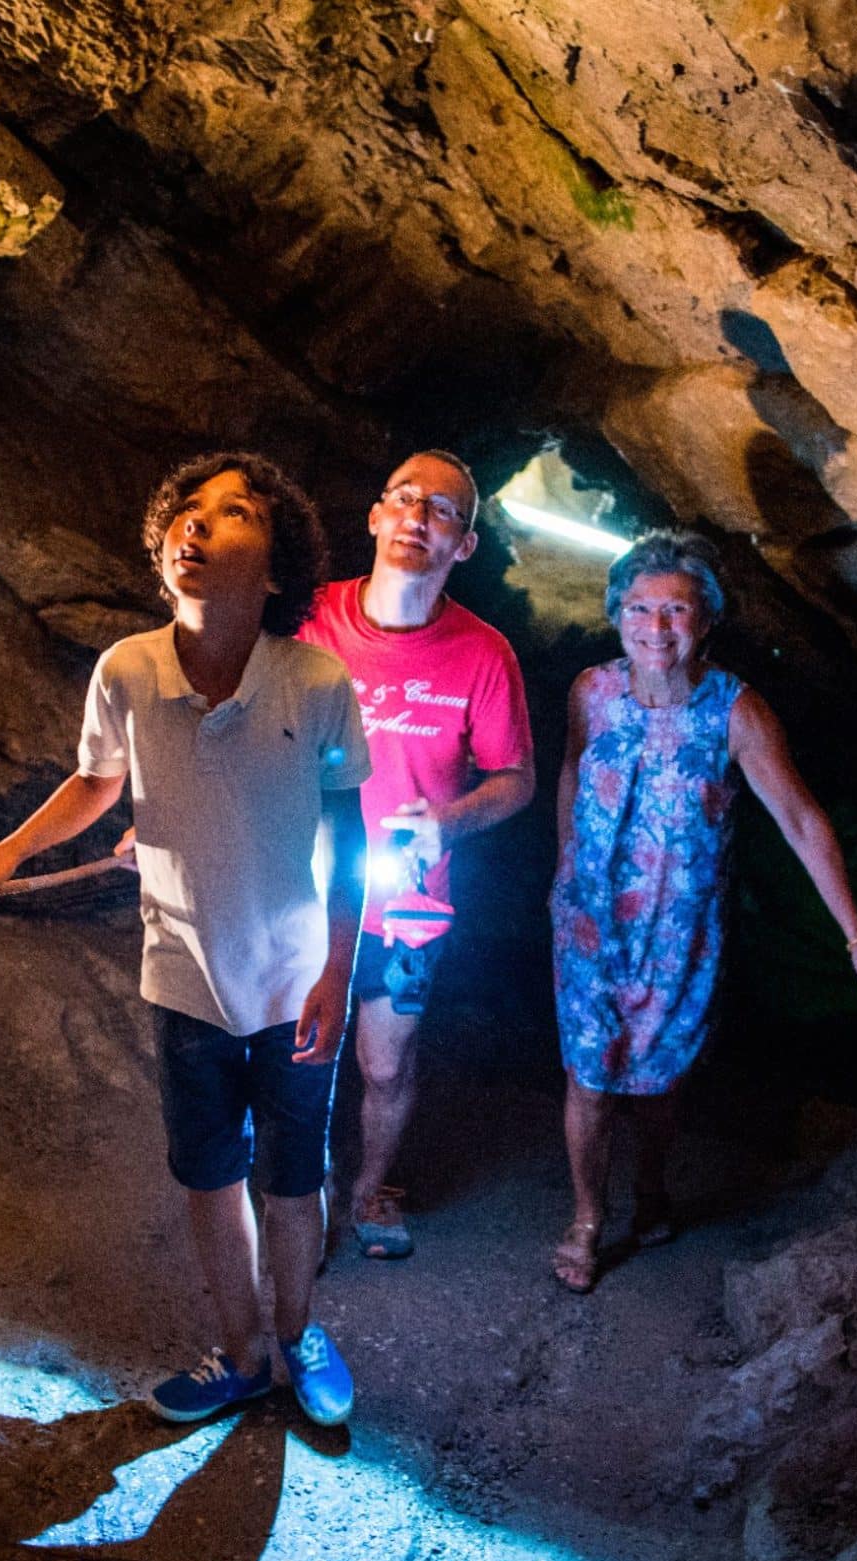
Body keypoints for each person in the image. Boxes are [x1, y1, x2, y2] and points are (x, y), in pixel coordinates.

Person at [0, 451, 371, 1427]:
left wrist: (339, 970)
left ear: (275, 570)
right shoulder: (128, 670)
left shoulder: (314, 683)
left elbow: (349, 832)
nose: (196, 523)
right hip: (184, 980)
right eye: (186, 508)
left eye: (233, 511)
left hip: (295, 981)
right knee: (210, 1178)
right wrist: (3, 855)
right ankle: (245, 1354)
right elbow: (96, 782)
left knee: (293, 1181)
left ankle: (298, 1335)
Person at [548, 530, 857, 1292]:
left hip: (681, 938)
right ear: (617, 615)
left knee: (657, 1088)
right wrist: (561, 868)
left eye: (676, 610)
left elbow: (803, 820)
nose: (656, 627)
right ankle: (587, 1218)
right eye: (640, 608)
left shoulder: (736, 712)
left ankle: (650, 1191)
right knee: (588, 1077)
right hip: (591, 929)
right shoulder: (591, 692)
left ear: (706, 620)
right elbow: (573, 772)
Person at [296, 450, 534, 1260]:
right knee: (300, 1043)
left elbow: (517, 779)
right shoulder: (307, 621)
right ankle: (306, 1188)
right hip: (299, 882)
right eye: (404, 499)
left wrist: (448, 822)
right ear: (373, 515)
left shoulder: (483, 654)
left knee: (385, 1060)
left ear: (463, 545)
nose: (417, 518)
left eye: (442, 511)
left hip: (407, 899)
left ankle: (371, 1192)